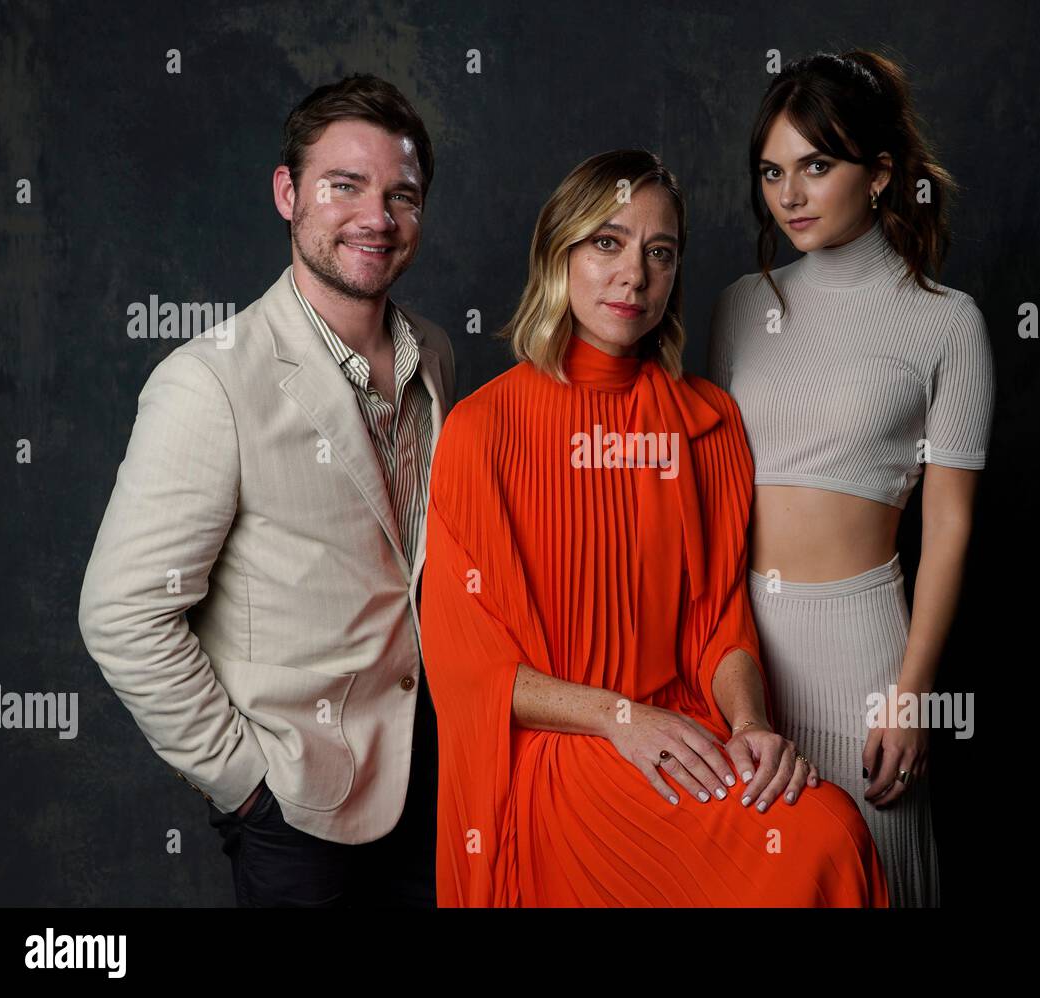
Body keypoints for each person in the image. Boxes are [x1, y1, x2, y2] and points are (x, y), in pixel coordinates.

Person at [420, 148, 889, 907]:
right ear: (558, 251)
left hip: (687, 727)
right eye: (607, 242)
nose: (633, 274)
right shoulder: (482, 432)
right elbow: (467, 669)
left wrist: (751, 725)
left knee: (827, 834)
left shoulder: (707, 424)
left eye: (659, 252)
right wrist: (619, 718)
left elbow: (720, 626)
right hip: (563, 752)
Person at [77, 74, 455, 907]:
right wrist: (245, 783)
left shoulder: (433, 355)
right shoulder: (210, 380)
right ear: (288, 193)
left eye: (402, 195)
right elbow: (120, 611)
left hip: (433, 776)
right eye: (344, 186)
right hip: (299, 806)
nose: (377, 218)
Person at [708, 50, 996, 908]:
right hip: (741, 653)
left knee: (874, 874)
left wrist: (910, 696)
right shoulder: (736, 308)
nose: (789, 194)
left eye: (816, 166)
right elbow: (707, 495)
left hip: (864, 648)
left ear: (877, 176)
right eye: (772, 172)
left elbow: (948, 527)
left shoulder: (948, 324)